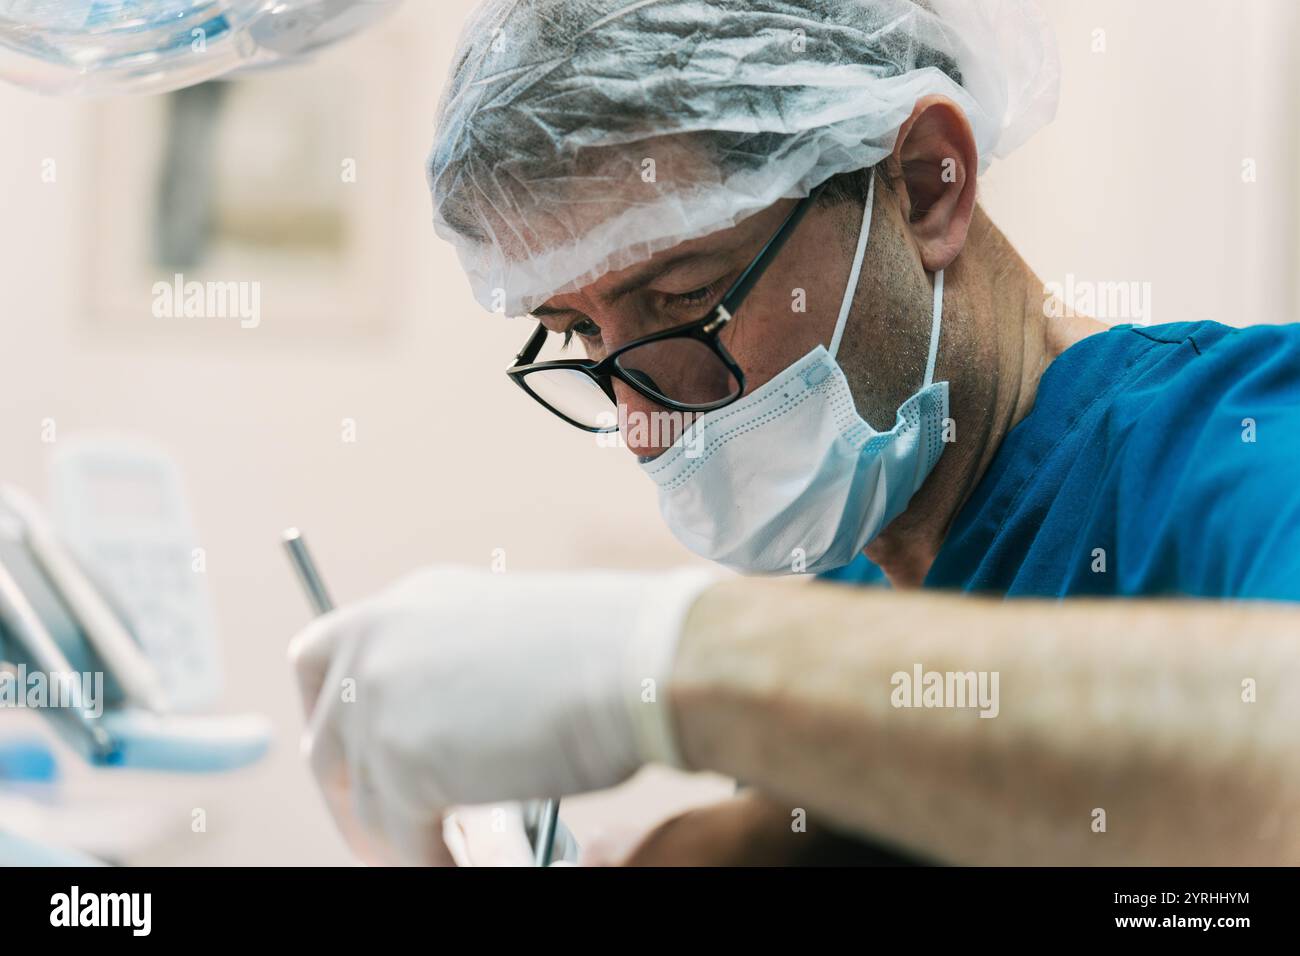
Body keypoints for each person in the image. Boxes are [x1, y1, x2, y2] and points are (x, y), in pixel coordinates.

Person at [290, 0, 1300, 866]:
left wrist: (660, 658)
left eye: (684, 298)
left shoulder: (1243, 445)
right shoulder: (861, 573)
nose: (642, 428)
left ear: (924, 181)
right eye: (579, 333)